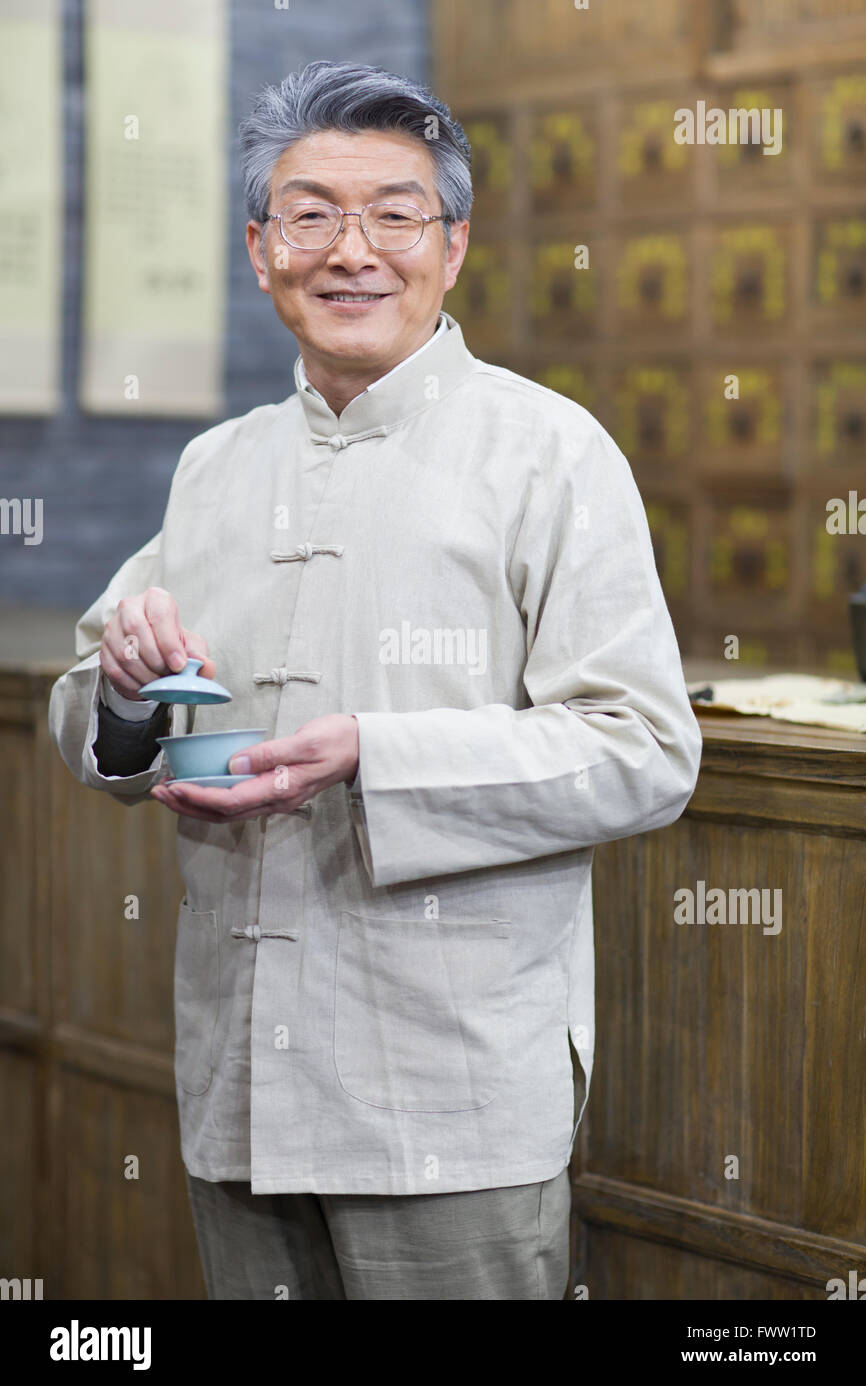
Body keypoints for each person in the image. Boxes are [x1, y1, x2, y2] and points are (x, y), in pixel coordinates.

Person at [48, 59, 703, 1301]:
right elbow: (90, 712)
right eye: (309, 214)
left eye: (394, 215)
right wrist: (127, 694)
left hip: (445, 1089)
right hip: (238, 1073)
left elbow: (644, 749)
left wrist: (376, 755)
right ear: (259, 249)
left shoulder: (546, 451)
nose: (351, 250)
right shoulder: (216, 469)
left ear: (451, 248)